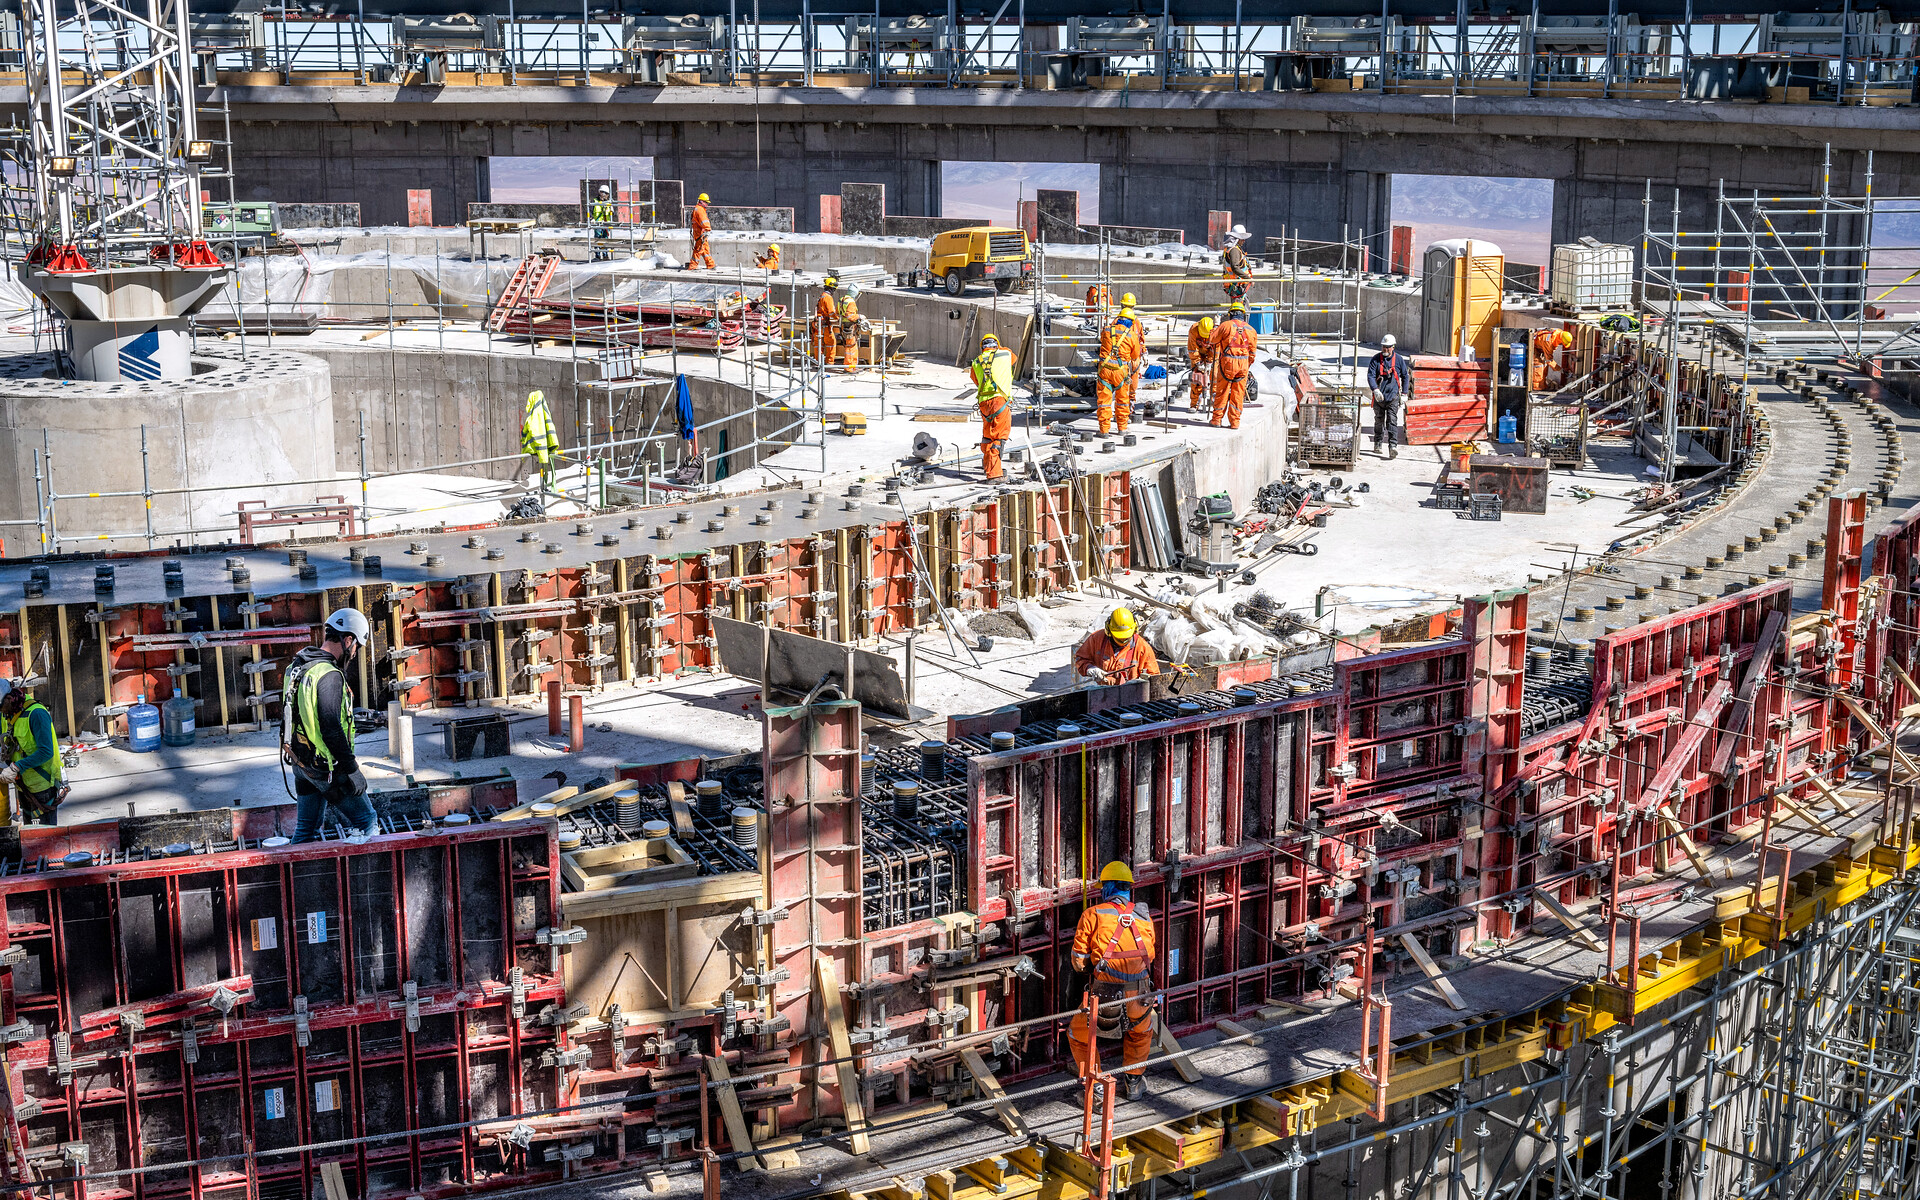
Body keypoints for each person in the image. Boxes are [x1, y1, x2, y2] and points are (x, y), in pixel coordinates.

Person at [281, 609, 379, 844]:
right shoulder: (329, 675)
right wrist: (352, 770)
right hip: (325, 768)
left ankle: (297, 879)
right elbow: (332, 728)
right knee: (367, 820)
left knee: (306, 830)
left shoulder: (298, 666)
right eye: (356, 647)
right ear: (348, 640)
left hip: (300, 762)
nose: (354, 654)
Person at [1068, 861, 1158, 1099]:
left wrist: (1097, 968)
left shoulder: (1092, 914)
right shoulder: (1144, 916)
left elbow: (1078, 962)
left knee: (1079, 1034)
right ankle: (1133, 1083)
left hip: (1105, 997)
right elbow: (1150, 956)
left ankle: (1096, 1089)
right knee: (1141, 1033)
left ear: (1106, 888)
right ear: (1129, 888)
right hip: (1140, 995)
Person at [0, 679, 64, 826]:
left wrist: (17, 767)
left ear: (9, 699)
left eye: (0, 707)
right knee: (30, 836)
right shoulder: (8, 715)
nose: (0, 712)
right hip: (23, 785)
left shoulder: (36, 714)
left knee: (44, 837)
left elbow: (46, 751)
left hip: (42, 787)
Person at [1073, 608, 1160, 686]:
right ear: (1109, 629)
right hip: (1101, 693)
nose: (1123, 640)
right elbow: (1080, 659)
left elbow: (1154, 678)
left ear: (1134, 629)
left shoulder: (1142, 647)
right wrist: (1090, 669)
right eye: (1119, 637)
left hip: (1131, 696)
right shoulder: (1097, 639)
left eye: (1126, 637)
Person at [1207, 302, 1257, 430]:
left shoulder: (1225, 326)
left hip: (1228, 364)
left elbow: (1212, 339)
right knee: (1238, 394)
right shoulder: (1251, 330)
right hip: (1243, 365)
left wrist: (1216, 325)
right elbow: (1252, 353)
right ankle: (1235, 422)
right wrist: (1246, 365)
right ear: (1243, 315)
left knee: (1222, 391)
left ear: (1230, 314)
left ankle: (1217, 419)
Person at [971, 334, 1014, 482]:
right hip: (999, 402)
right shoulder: (1005, 354)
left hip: (984, 404)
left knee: (988, 437)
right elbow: (1013, 357)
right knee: (998, 438)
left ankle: (988, 467)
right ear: (997, 345)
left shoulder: (976, 361)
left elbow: (976, 380)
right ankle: (994, 474)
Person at [1095, 303, 1142, 436]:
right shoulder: (1131, 335)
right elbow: (1134, 356)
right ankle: (1122, 429)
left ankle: (1104, 431)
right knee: (1122, 401)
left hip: (1104, 371)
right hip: (1121, 372)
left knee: (1104, 401)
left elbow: (1102, 342)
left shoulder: (1107, 330)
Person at [1368, 333, 1414, 459]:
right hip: (1379, 397)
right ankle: (1378, 443)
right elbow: (1371, 376)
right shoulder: (1376, 360)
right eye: (1384, 346)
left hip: (1393, 397)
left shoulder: (1398, 360)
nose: (1385, 349)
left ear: (1393, 347)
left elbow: (1405, 376)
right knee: (1379, 420)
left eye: (1388, 347)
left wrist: (1404, 394)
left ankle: (1392, 447)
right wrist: (1375, 390)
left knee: (1392, 422)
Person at [521, 389, 559, 490]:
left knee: (544, 472)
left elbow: (533, 432)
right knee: (546, 472)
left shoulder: (535, 415)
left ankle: (544, 491)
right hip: (548, 447)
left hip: (537, 449)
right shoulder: (543, 410)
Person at [1186, 315, 1216, 412]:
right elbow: (1192, 348)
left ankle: (1215, 402)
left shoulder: (1215, 331)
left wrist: (1210, 361)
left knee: (1215, 377)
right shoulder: (1194, 330)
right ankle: (1194, 404)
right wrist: (1198, 363)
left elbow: (1216, 348)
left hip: (1211, 355)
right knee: (1197, 378)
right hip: (1198, 354)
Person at [837, 282, 865, 375]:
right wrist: (860, 316)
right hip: (850, 327)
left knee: (848, 346)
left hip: (843, 326)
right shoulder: (851, 302)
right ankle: (849, 367)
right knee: (851, 347)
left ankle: (851, 366)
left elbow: (837, 312)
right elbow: (850, 316)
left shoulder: (842, 300)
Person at [1221, 225, 1252, 302]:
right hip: (1237, 286)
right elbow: (1235, 267)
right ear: (1237, 239)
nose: (1244, 241)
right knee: (1239, 309)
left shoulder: (1231, 249)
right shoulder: (1234, 250)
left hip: (1235, 285)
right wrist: (1248, 278)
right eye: (1242, 238)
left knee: (1240, 308)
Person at [812, 276, 839, 363]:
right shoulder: (828, 297)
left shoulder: (822, 296)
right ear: (832, 288)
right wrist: (837, 318)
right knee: (831, 342)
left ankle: (818, 362)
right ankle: (829, 362)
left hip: (818, 322)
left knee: (819, 343)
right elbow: (831, 312)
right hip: (825, 323)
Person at [686, 192, 715, 270]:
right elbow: (704, 221)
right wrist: (708, 229)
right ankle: (693, 266)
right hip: (700, 233)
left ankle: (710, 265)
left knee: (705, 249)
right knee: (699, 250)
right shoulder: (700, 210)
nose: (707, 204)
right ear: (702, 201)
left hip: (699, 232)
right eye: (706, 202)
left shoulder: (698, 208)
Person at [589, 186, 614, 260]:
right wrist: (592, 218)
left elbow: (612, 213)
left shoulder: (609, 202)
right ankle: (597, 255)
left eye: (606, 193)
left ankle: (605, 255)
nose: (604, 195)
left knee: (605, 240)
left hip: (606, 224)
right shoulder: (594, 201)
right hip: (597, 224)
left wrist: (612, 209)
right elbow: (589, 211)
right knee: (598, 240)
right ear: (599, 192)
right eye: (603, 192)